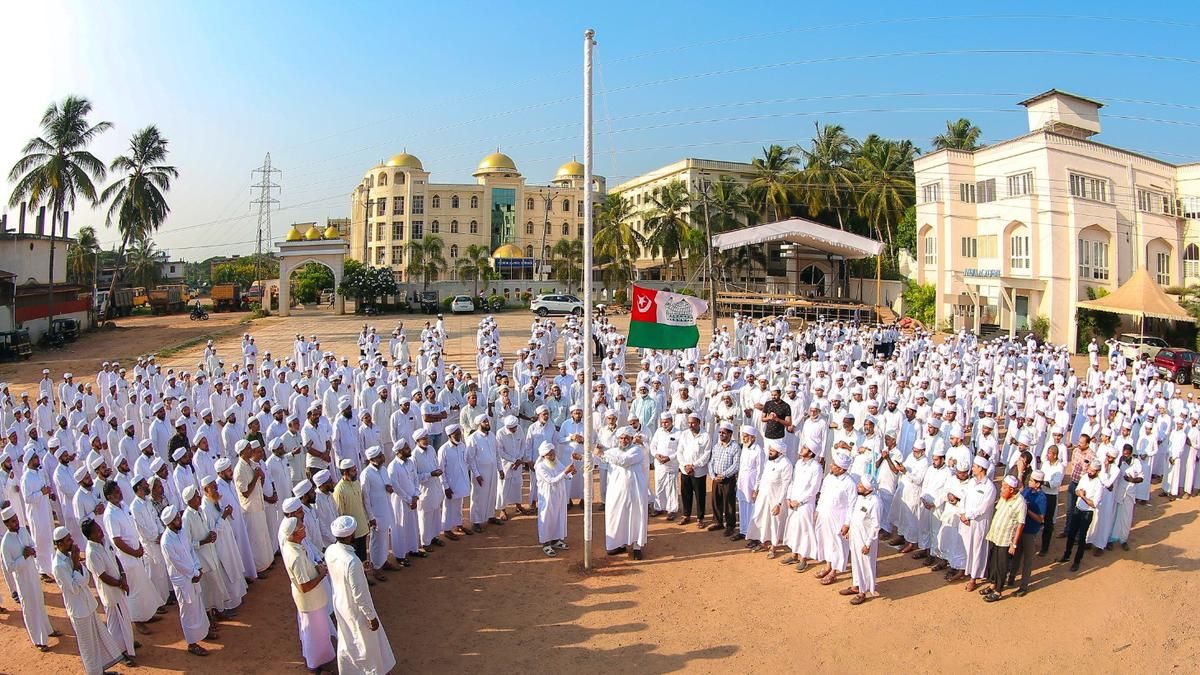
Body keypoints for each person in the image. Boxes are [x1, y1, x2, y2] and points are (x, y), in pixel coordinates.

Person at [326, 515, 396, 675]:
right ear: (350, 535)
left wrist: (360, 569)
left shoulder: (331, 550)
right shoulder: (351, 561)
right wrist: (371, 616)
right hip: (355, 609)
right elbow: (360, 595)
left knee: (348, 640)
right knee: (365, 644)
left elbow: (340, 574)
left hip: (341, 604)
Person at [52, 526, 124, 674]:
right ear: (59, 544)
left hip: (88, 606)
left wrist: (76, 564)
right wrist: (77, 563)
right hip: (79, 611)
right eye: (68, 540)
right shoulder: (59, 565)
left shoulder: (70, 557)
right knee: (87, 647)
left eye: (70, 538)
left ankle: (99, 671)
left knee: (96, 642)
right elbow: (74, 588)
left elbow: (86, 578)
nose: (72, 542)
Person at [280, 516, 336, 675]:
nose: (304, 527)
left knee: (317, 632)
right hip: (309, 601)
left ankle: (320, 660)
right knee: (313, 635)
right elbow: (304, 586)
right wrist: (321, 574)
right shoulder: (295, 556)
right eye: (301, 527)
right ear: (294, 533)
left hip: (313, 601)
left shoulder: (295, 546)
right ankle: (314, 665)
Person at [80, 518, 137, 666]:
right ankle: (118, 653)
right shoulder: (92, 552)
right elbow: (103, 576)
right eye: (97, 531)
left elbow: (115, 558)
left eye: (99, 529)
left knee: (124, 618)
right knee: (115, 624)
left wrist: (123, 576)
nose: (100, 532)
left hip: (119, 587)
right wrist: (119, 583)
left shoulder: (103, 542)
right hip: (111, 593)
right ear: (90, 536)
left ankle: (128, 644)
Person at [159, 505, 214, 656]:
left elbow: (190, 551)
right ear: (169, 523)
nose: (179, 519)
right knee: (188, 610)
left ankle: (203, 632)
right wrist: (193, 573)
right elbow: (177, 563)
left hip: (193, 574)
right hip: (182, 579)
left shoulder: (182, 532)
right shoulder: (166, 541)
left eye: (178, 516)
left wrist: (198, 567)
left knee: (198, 604)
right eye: (176, 518)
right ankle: (192, 643)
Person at [0, 506, 56, 652]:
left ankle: (47, 630)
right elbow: (9, 567)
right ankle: (38, 640)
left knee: (39, 601)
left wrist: (32, 551)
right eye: (12, 522)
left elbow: (32, 544)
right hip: (23, 580)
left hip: (33, 573)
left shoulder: (23, 531)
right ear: (6, 524)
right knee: (30, 608)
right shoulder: (6, 543)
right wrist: (23, 557)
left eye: (16, 520)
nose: (16, 523)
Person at [593, 427, 649, 559]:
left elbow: (623, 461)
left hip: (635, 491)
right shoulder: (612, 451)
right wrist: (585, 455)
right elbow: (597, 459)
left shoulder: (637, 450)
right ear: (618, 439)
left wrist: (602, 454)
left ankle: (636, 547)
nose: (623, 441)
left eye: (626, 438)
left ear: (631, 439)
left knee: (635, 517)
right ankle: (619, 544)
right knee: (616, 516)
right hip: (616, 492)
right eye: (621, 438)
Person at [981, 475, 1027, 602]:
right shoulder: (1004, 497)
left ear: (1012, 490)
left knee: (1002, 565)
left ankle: (998, 591)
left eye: (1004, 487)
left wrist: (1014, 544)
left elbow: (1020, 524)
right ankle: (992, 584)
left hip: (1006, 540)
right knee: (994, 562)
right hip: (996, 536)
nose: (1001, 490)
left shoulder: (1020, 503)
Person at [814, 452, 855, 586]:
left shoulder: (850, 484)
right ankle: (828, 566)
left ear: (842, 469)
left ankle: (834, 572)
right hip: (825, 515)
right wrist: (817, 511)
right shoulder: (829, 478)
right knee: (826, 541)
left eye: (834, 465)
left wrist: (847, 524)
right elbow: (823, 495)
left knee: (838, 545)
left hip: (839, 519)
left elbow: (852, 505)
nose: (831, 465)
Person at [840, 473, 880, 605]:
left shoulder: (875, 502)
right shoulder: (860, 498)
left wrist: (868, 544)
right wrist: (850, 530)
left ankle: (863, 592)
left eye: (861, 485)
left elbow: (875, 525)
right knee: (856, 563)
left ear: (868, 489)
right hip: (856, 537)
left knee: (865, 565)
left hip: (865, 539)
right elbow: (855, 516)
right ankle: (856, 585)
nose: (858, 486)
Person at [780, 444, 821, 570]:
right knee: (794, 528)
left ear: (810, 453)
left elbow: (814, 489)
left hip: (805, 504)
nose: (801, 450)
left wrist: (800, 501)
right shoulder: (798, 463)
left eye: (805, 448)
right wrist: (789, 497)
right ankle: (794, 554)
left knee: (805, 531)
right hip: (793, 502)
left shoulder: (816, 467)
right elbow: (793, 481)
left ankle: (803, 558)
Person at [1059, 459, 1103, 572]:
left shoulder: (1099, 485)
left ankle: (1077, 561)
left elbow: (1093, 504)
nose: (1090, 472)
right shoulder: (1084, 478)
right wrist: (1080, 494)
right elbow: (1077, 490)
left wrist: (1083, 496)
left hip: (1087, 513)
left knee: (1081, 538)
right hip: (1078, 509)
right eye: (1089, 469)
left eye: (1093, 471)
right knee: (1071, 534)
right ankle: (1066, 555)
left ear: (1097, 472)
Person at [1008, 470, 1046, 597]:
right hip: (1020, 529)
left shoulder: (1042, 498)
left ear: (1038, 484)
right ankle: (1011, 577)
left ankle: (1023, 586)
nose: (1029, 482)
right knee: (1016, 555)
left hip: (1030, 532)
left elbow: (1041, 519)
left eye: (1032, 481)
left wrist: (1027, 509)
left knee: (1027, 560)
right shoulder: (1026, 491)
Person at [534, 441, 575, 556]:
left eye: (553, 453)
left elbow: (564, 474)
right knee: (547, 518)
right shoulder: (540, 467)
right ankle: (546, 543)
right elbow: (551, 480)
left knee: (558, 516)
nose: (552, 456)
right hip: (547, 497)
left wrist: (571, 473)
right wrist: (565, 472)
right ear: (544, 455)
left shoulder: (556, 462)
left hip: (559, 495)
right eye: (550, 454)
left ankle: (556, 540)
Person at [707, 422, 741, 537]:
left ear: (730, 434)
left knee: (728, 503)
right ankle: (718, 522)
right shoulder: (716, 446)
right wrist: (713, 476)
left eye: (724, 433)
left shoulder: (735, 447)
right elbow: (711, 462)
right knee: (716, 500)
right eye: (720, 432)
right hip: (716, 478)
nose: (721, 434)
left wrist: (724, 475)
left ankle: (730, 525)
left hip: (728, 479)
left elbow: (736, 465)